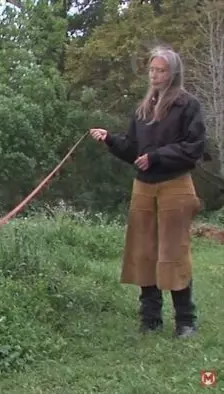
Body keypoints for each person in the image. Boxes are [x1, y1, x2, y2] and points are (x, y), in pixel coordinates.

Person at [89, 45, 206, 339]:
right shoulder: (143, 109)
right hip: (143, 186)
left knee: (173, 251)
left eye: (161, 70)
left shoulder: (187, 105)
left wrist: (156, 157)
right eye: (152, 70)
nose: (155, 75)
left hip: (175, 184)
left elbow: (193, 149)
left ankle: (185, 321)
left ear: (173, 73)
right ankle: (151, 319)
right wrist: (110, 140)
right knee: (143, 251)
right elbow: (133, 149)